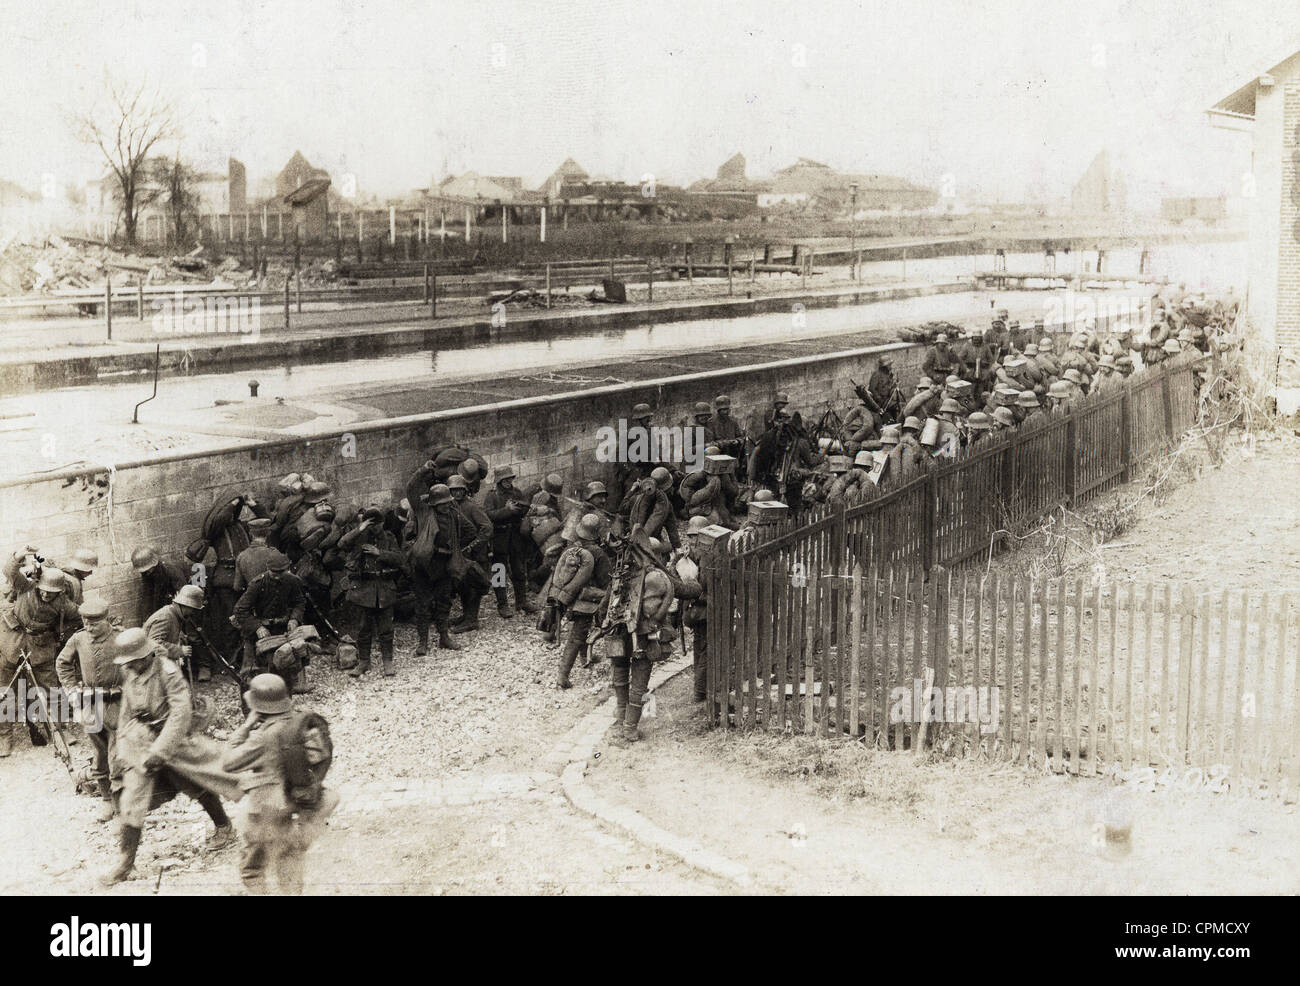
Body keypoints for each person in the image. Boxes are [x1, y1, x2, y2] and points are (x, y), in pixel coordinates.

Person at [100, 627, 240, 887]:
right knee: (132, 799)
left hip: (173, 740)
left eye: (132, 661)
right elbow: (126, 713)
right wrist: (123, 747)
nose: (129, 666)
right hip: (142, 742)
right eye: (126, 663)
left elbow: (180, 713)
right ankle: (125, 863)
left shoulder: (168, 671)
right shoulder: (130, 672)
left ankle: (224, 827)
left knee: (199, 780)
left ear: (145, 655)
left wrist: (161, 751)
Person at [222, 674, 336, 895]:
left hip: (264, 808)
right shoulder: (299, 725)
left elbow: (228, 762)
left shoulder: (262, 737)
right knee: (289, 858)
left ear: (258, 707)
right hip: (295, 801)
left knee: (252, 868)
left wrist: (246, 727)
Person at [0, 566, 80, 756]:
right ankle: (5, 736)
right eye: (43, 589)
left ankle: (59, 731)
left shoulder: (63, 604)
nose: (45, 594)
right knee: (5, 691)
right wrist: (18, 557)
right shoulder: (26, 587)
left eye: (51, 592)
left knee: (51, 690)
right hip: (12, 643)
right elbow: (10, 571)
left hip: (41, 647)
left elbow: (82, 615)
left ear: (59, 592)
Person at [55, 596, 121, 821]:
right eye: (85, 622)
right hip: (90, 704)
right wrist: (72, 690)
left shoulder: (120, 638)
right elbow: (62, 663)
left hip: (118, 703)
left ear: (106, 620)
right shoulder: (78, 639)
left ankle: (123, 801)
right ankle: (106, 799)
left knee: (118, 751)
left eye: (94, 623)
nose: (89, 627)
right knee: (100, 751)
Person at [339, 506, 407, 676]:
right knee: (363, 628)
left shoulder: (390, 538)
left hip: (384, 588)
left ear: (383, 523)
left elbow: (400, 559)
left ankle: (387, 661)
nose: (374, 528)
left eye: (377, 524)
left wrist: (380, 553)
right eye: (371, 525)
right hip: (363, 589)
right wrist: (359, 529)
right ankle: (363, 662)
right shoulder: (359, 538)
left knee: (386, 628)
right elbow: (341, 544)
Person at [405, 480, 469, 653]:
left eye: (447, 503)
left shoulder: (453, 515)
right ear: (433, 504)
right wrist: (423, 472)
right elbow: (411, 488)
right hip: (423, 567)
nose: (445, 506)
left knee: (444, 602)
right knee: (423, 605)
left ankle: (444, 637)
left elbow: (468, 530)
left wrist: (456, 551)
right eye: (441, 504)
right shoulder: (424, 512)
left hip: (444, 565)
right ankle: (422, 642)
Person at [550, 514, 612, 688]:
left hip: (570, 596)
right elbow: (606, 580)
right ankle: (562, 676)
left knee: (581, 630)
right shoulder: (598, 552)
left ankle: (586, 657)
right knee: (577, 636)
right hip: (586, 600)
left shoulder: (573, 548)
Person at [232, 554, 307, 688]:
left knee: (289, 662)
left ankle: (290, 685)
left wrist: (294, 619)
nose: (277, 576)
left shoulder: (293, 581)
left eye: (281, 572)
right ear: (267, 568)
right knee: (250, 673)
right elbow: (240, 609)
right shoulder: (257, 584)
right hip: (260, 630)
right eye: (274, 572)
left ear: (288, 568)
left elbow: (299, 602)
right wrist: (257, 627)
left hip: (282, 628)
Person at [483, 466, 536, 619]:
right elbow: (488, 516)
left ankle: (521, 601)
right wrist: (507, 510)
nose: (508, 482)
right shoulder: (492, 496)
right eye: (504, 479)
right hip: (499, 537)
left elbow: (522, 511)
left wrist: (525, 509)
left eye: (510, 478)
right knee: (499, 571)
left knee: (519, 569)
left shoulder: (517, 493)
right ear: (499, 480)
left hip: (515, 536)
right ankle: (502, 605)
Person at [447, 475, 493, 634]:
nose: (457, 493)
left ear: (465, 490)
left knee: (474, 585)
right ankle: (466, 615)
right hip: (462, 554)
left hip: (476, 554)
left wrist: (474, 546)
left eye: (459, 490)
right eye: (453, 490)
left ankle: (472, 620)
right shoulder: (451, 506)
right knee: (463, 585)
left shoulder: (472, 507)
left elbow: (487, 528)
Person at [145, 585, 207, 680]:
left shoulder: (174, 615)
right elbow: (153, 645)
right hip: (149, 665)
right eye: (192, 609)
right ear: (184, 605)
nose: (193, 613)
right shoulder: (166, 617)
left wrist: (180, 637)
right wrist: (179, 650)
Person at [131, 546, 187, 629]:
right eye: (143, 571)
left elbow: (184, 594)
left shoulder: (170, 569)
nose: (146, 573)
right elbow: (147, 596)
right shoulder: (148, 572)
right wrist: (146, 620)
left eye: (148, 570)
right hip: (165, 599)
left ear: (154, 563)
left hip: (179, 599)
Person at [705, 394, 746, 459]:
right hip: (717, 455)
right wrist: (723, 443)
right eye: (723, 409)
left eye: (726, 409)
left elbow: (741, 437)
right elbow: (709, 443)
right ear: (718, 410)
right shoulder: (711, 423)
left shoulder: (733, 421)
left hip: (733, 454)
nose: (725, 412)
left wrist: (737, 441)